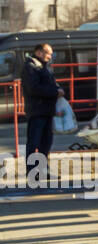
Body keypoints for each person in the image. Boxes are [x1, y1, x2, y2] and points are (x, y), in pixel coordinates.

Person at [21, 43, 62, 178]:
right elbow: (34, 88)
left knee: (46, 141)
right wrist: (55, 92)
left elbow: (49, 84)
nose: (50, 57)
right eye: (48, 53)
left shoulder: (43, 67)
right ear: (39, 53)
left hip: (46, 110)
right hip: (37, 110)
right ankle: (33, 171)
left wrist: (57, 90)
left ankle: (43, 169)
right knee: (34, 142)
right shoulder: (30, 67)